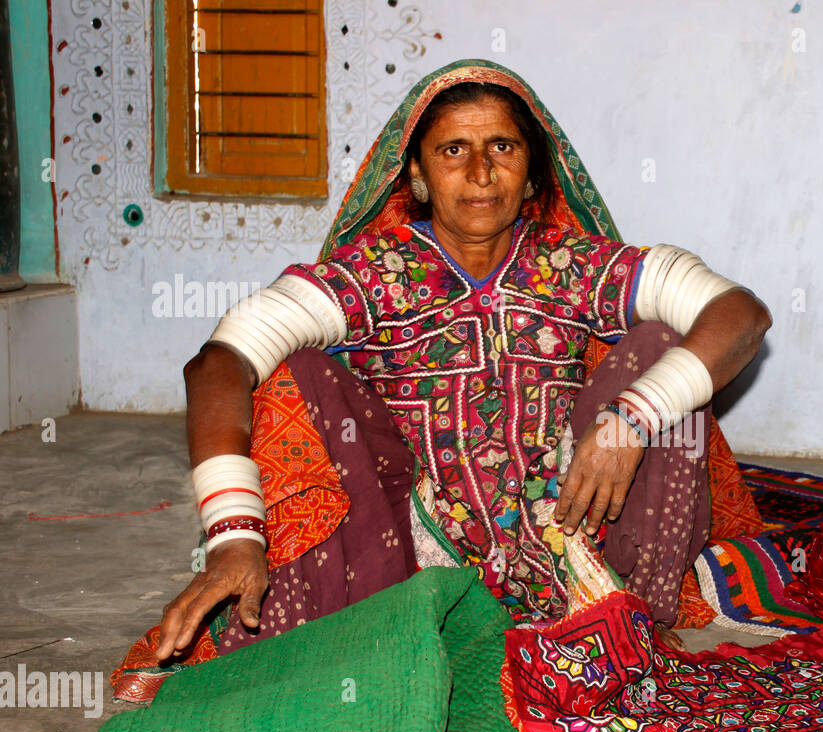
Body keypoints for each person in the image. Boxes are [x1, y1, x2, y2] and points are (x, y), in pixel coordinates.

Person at [140, 59, 770, 676]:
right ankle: (352, 630)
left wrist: (633, 418)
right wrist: (234, 534)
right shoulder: (374, 275)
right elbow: (219, 363)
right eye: (452, 151)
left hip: (576, 546)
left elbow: (741, 315)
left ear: (531, 176)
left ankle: (633, 626)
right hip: (418, 562)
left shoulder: (578, 266)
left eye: (501, 146)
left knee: (659, 346)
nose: (479, 172)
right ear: (417, 175)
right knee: (299, 374)